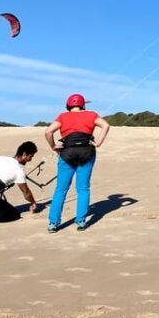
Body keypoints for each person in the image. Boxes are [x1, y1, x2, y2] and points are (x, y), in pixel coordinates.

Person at [45, 93, 110, 233]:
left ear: (68, 105)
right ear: (83, 105)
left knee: (61, 189)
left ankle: (53, 223)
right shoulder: (91, 115)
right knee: (83, 188)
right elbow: (105, 125)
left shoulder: (63, 116)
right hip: (87, 153)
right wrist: (98, 143)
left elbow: (48, 132)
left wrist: (53, 146)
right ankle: (81, 221)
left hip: (67, 153)